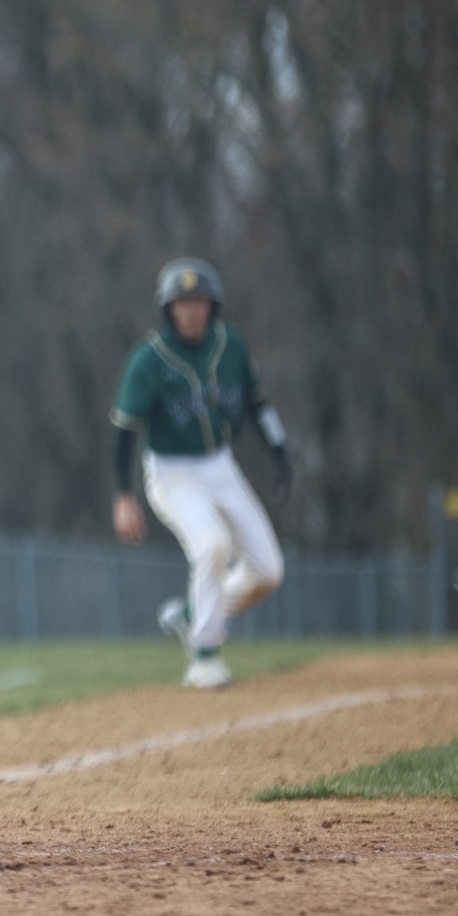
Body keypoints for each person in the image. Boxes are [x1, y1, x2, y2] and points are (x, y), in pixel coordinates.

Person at [110, 258, 291, 689]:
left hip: (219, 464)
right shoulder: (148, 360)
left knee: (267, 571)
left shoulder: (232, 345)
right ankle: (204, 656)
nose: (191, 311)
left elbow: (257, 402)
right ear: (167, 309)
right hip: (172, 471)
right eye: (181, 303)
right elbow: (124, 431)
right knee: (211, 545)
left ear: (214, 306)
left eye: (199, 301)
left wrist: (279, 448)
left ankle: (191, 615)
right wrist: (123, 495)